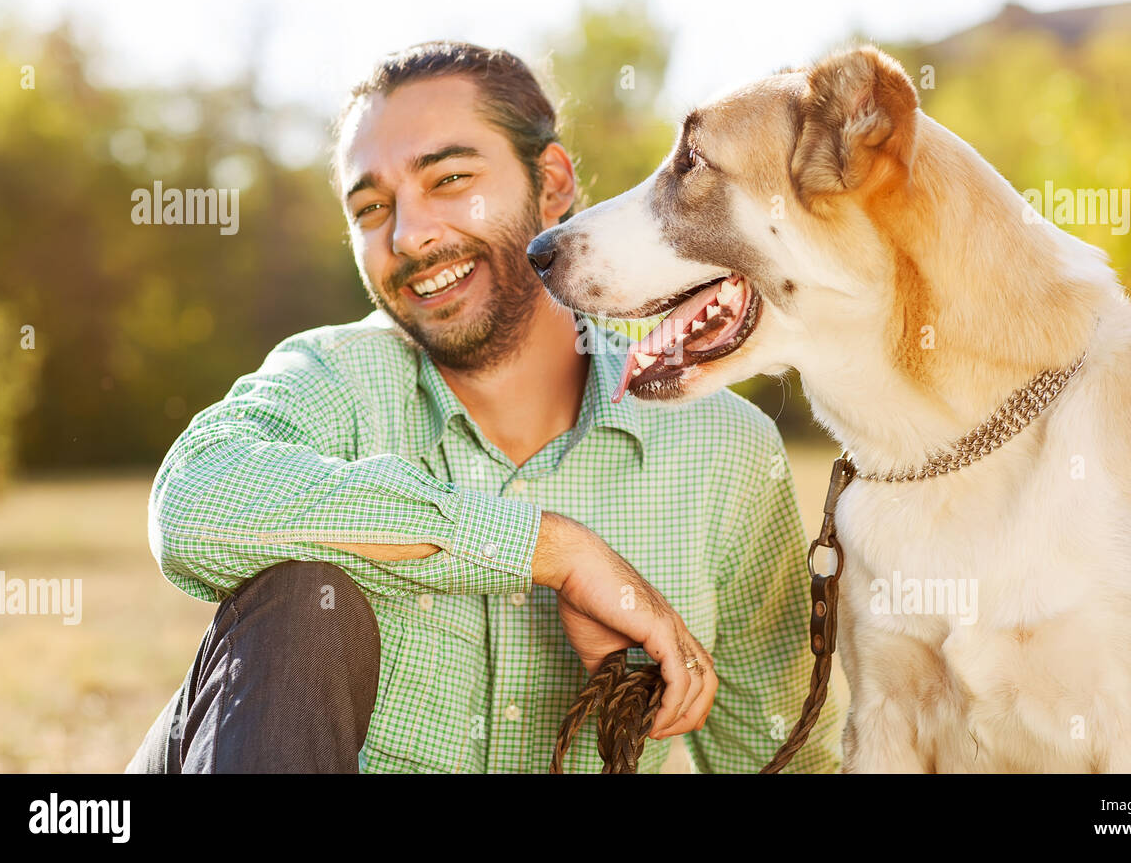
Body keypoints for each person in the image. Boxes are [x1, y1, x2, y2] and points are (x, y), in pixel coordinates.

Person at [126, 40, 841, 773]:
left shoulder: (723, 450)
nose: (409, 236)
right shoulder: (334, 378)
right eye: (371, 208)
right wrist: (553, 550)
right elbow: (190, 501)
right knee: (308, 600)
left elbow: (780, 754)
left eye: (450, 178)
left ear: (553, 184)